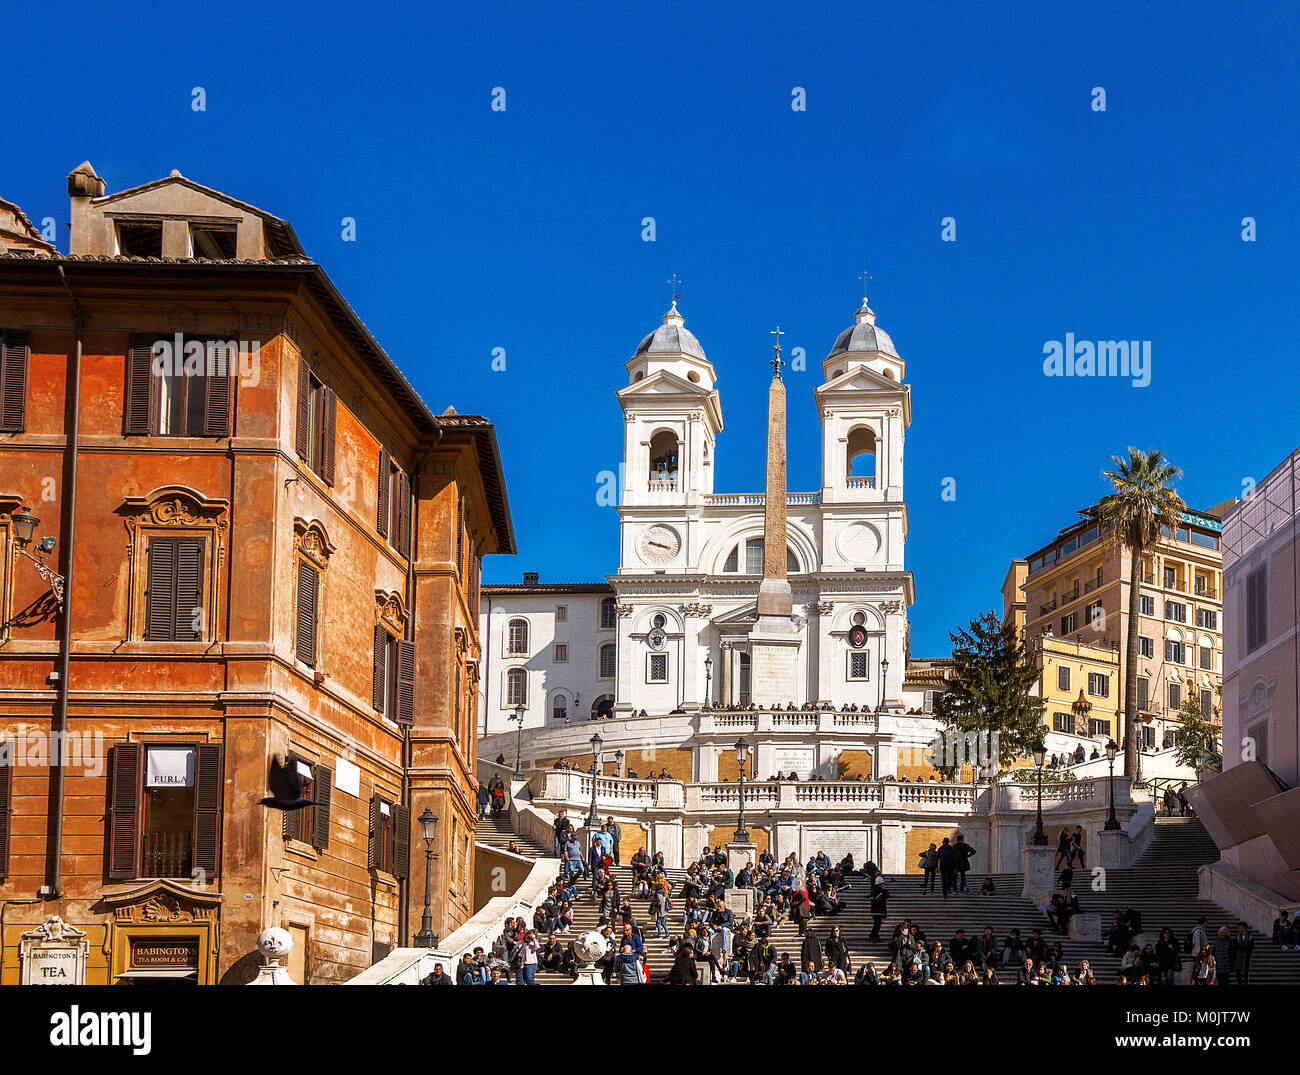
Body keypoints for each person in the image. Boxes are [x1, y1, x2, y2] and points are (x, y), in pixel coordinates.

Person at [869, 875, 888, 942]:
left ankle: (875, 936)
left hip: (877, 910)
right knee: (877, 925)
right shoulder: (878, 890)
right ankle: (873, 936)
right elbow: (886, 896)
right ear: (879, 884)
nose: (883, 884)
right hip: (878, 910)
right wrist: (884, 890)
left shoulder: (874, 890)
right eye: (882, 883)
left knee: (877, 924)